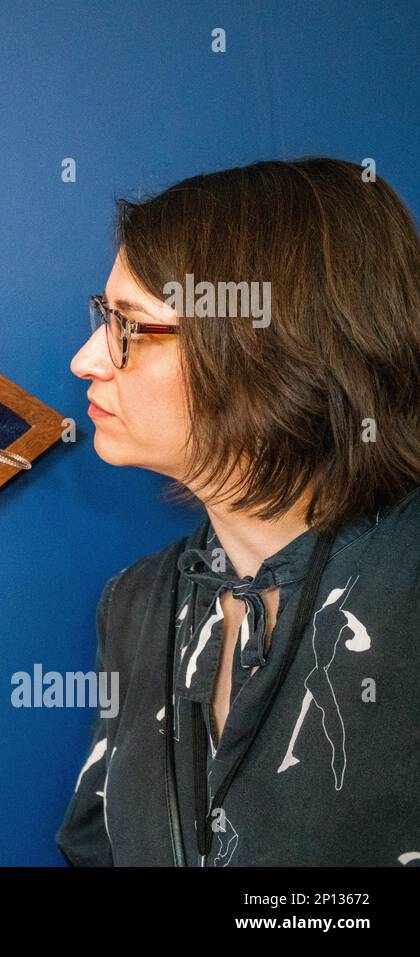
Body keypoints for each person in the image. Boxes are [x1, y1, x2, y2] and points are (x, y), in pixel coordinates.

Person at [59, 157, 420, 866]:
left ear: (268, 345)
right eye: (103, 318)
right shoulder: (134, 604)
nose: (85, 359)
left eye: (129, 326)